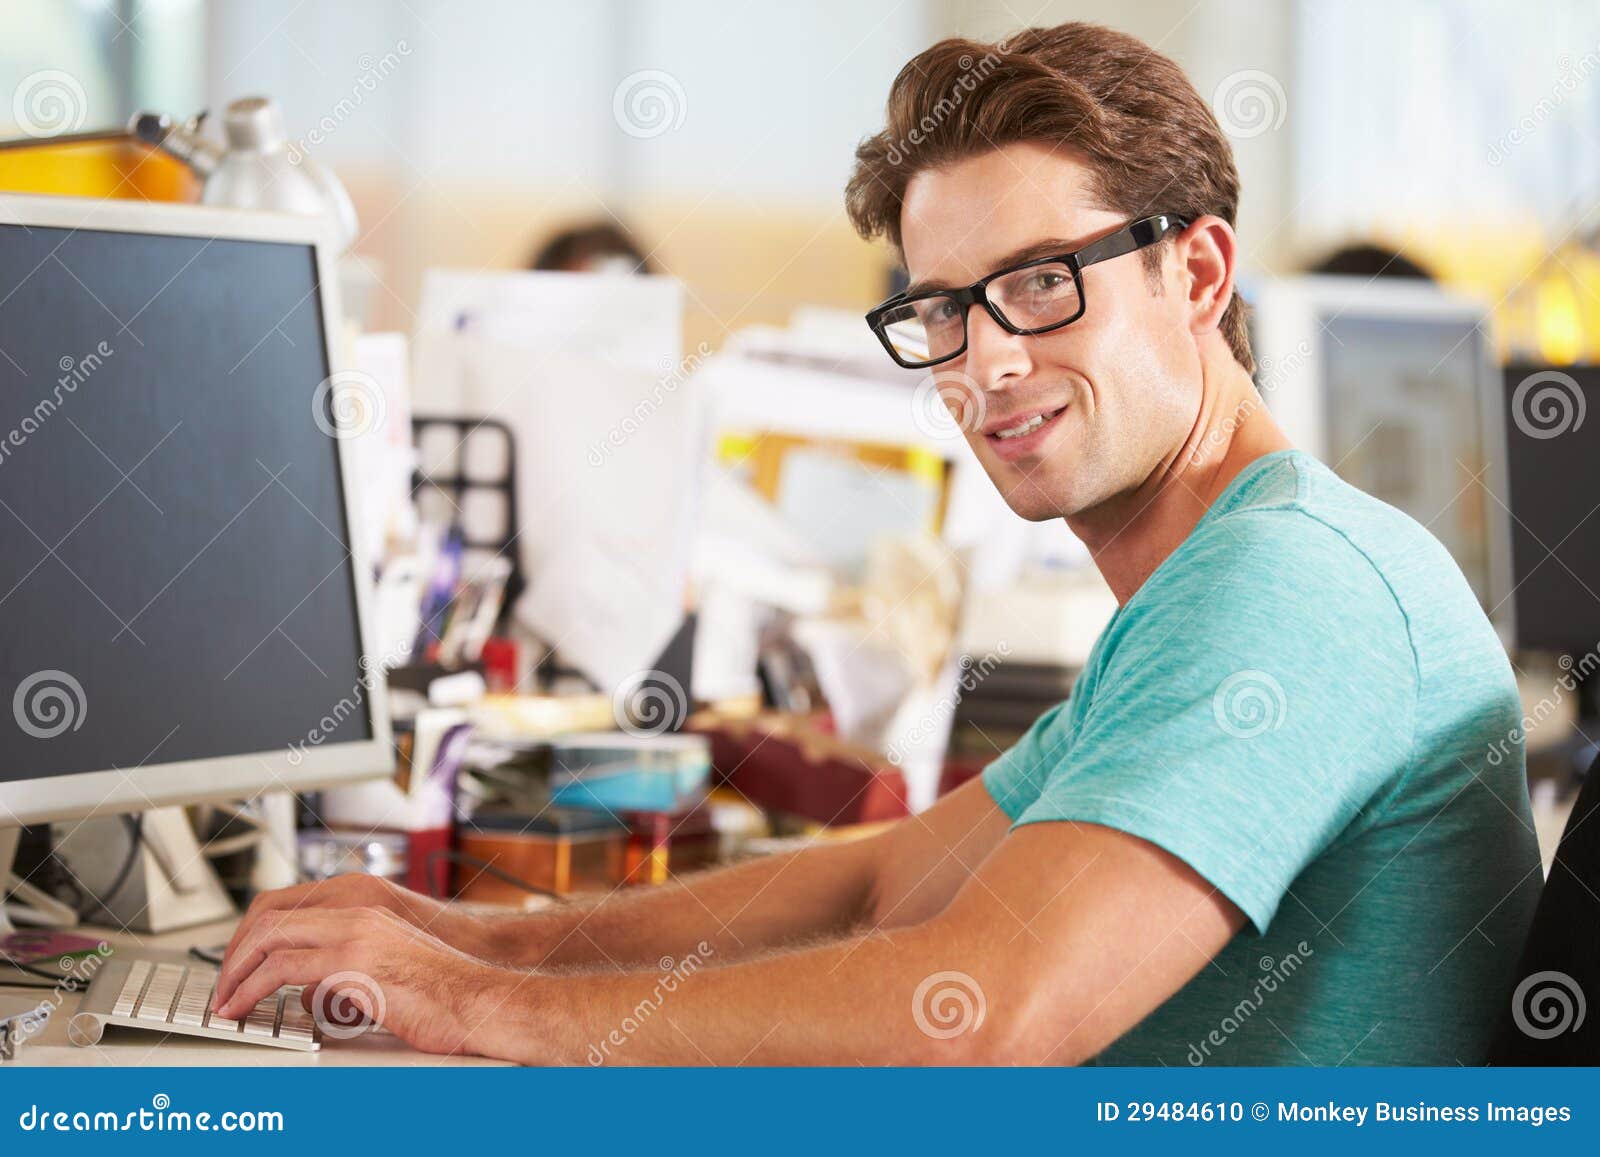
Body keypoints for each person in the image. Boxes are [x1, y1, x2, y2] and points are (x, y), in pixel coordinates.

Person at [215, 22, 1540, 1066]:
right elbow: (879, 890)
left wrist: (480, 1007)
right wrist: (472, 940)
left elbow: (988, 1015)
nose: (987, 363)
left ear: (1194, 275)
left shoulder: (1288, 586)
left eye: (1040, 283)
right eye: (942, 311)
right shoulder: (1212, 582)